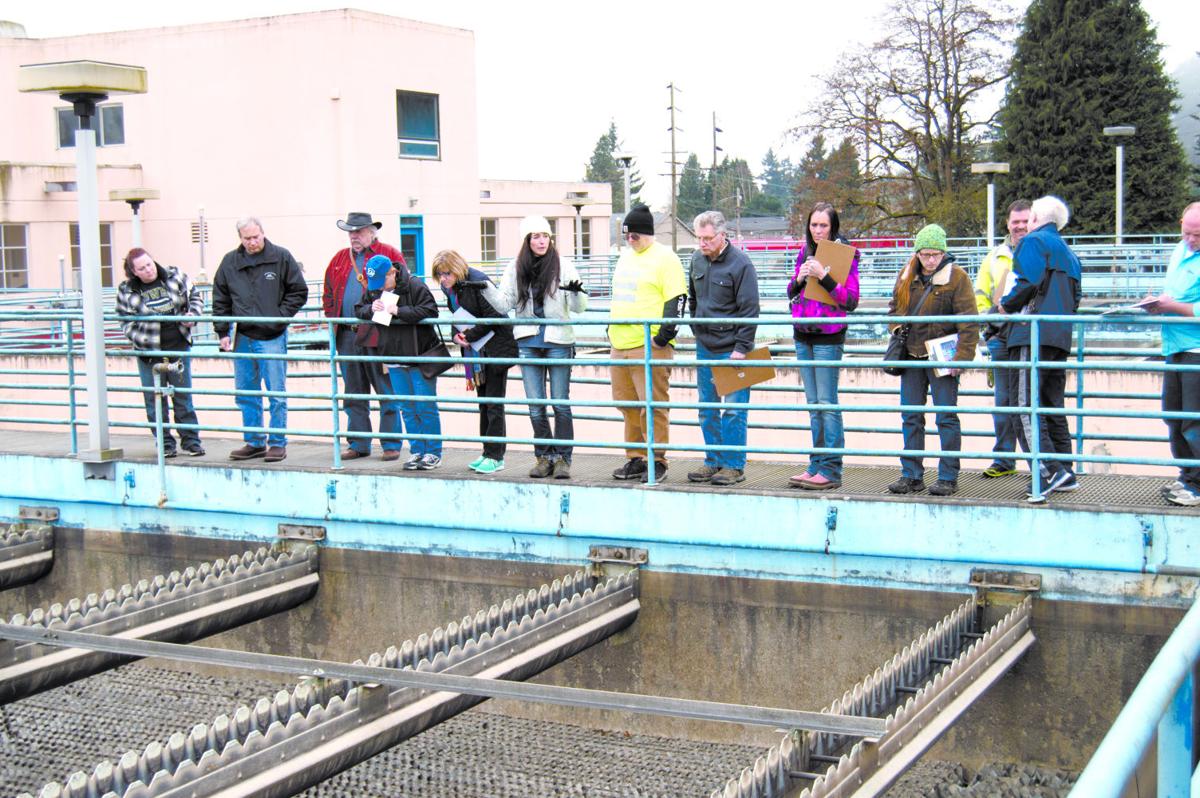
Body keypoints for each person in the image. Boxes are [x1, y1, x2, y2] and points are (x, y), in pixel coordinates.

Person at [999, 195, 1082, 502]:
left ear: (1037, 218)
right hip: (1059, 337)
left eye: (1029, 217)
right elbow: (1076, 298)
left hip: (1030, 334)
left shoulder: (1034, 243)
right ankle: (1066, 471)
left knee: (1023, 406)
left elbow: (1027, 281)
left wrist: (1005, 307)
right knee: (1050, 405)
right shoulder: (1070, 255)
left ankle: (1048, 469)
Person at [886, 224, 979, 496]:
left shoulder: (957, 277)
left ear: (943, 253)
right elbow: (893, 310)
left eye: (935, 254)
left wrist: (962, 357)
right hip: (912, 355)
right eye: (925, 254)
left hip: (943, 355)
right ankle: (911, 475)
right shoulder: (906, 276)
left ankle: (948, 476)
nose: (930, 260)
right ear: (917, 253)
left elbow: (969, 322)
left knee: (946, 417)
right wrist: (897, 328)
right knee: (911, 416)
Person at [495, 215, 588, 480]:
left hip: (559, 340)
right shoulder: (515, 268)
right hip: (528, 340)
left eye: (545, 236)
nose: (541, 241)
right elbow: (503, 304)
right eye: (535, 236)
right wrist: (485, 290)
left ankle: (563, 459)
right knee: (536, 404)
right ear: (527, 241)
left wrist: (576, 292)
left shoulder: (564, 266)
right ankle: (544, 457)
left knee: (560, 403)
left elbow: (581, 308)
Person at [212, 217, 309, 463]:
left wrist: (280, 317)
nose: (253, 242)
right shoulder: (230, 262)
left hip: (272, 335)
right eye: (247, 239)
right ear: (240, 239)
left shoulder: (281, 257)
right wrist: (222, 331)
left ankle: (277, 442)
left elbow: (298, 291)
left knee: (276, 392)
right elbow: (220, 298)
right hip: (242, 335)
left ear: (263, 234)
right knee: (245, 392)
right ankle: (254, 441)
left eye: (256, 237)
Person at [608, 204, 688, 484]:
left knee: (652, 405)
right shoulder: (625, 258)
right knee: (626, 405)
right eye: (626, 236)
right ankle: (636, 457)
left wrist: (662, 337)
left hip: (648, 344)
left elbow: (677, 299)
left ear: (647, 233)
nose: (630, 241)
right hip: (620, 343)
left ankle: (657, 459)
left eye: (634, 236)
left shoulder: (666, 258)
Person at [786, 202, 861, 490]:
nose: (817, 230)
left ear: (833, 227)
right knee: (813, 405)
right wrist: (801, 277)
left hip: (829, 336)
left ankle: (831, 468)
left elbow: (851, 300)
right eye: (814, 225)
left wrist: (823, 276)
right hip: (803, 334)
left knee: (827, 403)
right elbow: (790, 290)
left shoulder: (845, 254)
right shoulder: (804, 252)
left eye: (823, 225)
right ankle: (816, 464)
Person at [322, 212, 405, 462]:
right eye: (351, 231)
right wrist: (334, 317)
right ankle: (359, 443)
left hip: (379, 334)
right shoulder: (339, 259)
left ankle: (391, 444)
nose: (354, 236)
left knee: (386, 390)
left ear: (372, 231)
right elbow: (328, 294)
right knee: (353, 392)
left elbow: (401, 286)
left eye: (359, 231)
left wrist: (381, 320)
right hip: (347, 335)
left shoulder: (389, 254)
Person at [686, 210, 760, 487]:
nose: (702, 244)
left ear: (722, 235)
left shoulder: (741, 264)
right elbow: (692, 298)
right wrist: (697, 329)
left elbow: (750, 308)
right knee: (707, 408)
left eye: (707, 238)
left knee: (734, 409)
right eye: (699, 238)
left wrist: (742, 347)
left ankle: (733, 465)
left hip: (732, 349)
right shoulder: (696, 260)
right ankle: (713, 460)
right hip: (705, 344)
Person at [353, 255, 443, 470]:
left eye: (382, 282)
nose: (379, 288)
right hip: (392, 353)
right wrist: (370, 308)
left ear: (392, 272)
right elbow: (358, 309)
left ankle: (433, 452)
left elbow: (431, 310)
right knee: (406, 407)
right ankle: (417, 450)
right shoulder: (375, 288)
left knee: (425, 405)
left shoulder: (415, 285)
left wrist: (400, 311)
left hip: (418, 354)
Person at [433, 249, 517, 474]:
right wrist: (456, 335)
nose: (443, 279)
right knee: (483, 404)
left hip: (496, 349)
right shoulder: (450, 287)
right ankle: (487, 451)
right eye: (440, 275)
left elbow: (495, 317)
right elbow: (457, 314)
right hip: (476, 351)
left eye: (447, 274)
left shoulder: (479, 282)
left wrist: (469, 336)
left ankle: (496, 456)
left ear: (458, 270)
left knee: (494, 404)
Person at [116, 247, 206, 458]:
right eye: (142, 268)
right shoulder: (127, 290)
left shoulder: (175, 276)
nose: (149, 270)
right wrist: (139, 338)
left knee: (183, 396)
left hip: (178, 347)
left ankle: (191, 441)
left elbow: (196, 296)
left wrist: (192, 315)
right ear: (133, 272)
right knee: (154, 399)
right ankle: (165, 444)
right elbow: (123, 320)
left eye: (149, 264)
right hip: (148, 352)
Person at [1141, 201, 1200, 507]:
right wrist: (1157, 302)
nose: (1191, 240)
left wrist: (1171, 307)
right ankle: (1187, 477)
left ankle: (1197, 484)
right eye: (1186, 232)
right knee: (1174, 416)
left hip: (1197, 351)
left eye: (1197, 235)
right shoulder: (1181, 250)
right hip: (1174, 346)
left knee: (1193, 421)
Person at [974, 199, 1031, 479]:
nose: (1020, 227)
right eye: (1015, 222)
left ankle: (1038, 462)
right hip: (1000, 337)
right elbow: (981, 293)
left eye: (1025, 221)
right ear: (1007, 224)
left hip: (1029, 337)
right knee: (1003, 400)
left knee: (1029, 400)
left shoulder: (1037, 251)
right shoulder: (995, 256)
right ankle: (1004, 458)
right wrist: (989, 319)